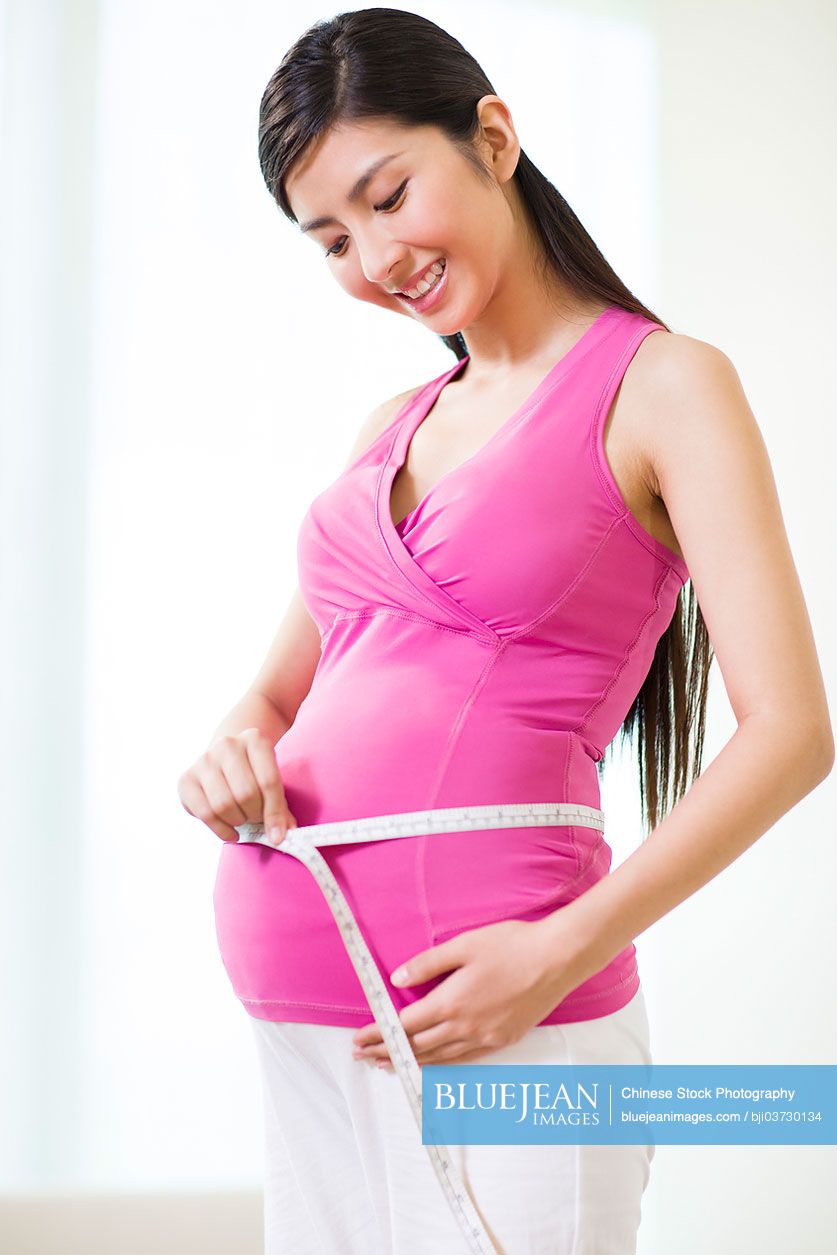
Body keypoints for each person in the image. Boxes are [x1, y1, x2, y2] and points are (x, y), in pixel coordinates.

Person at [176, 9, 834, 1254]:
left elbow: (794, 732)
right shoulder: (389, 421)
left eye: (387, 194)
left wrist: (555, 953)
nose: (375, 257)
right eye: (331, 238)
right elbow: (276, 694)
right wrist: (230, 747)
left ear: (492, 136)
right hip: (305, 1024)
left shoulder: (665, 384)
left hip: (524, 1023)